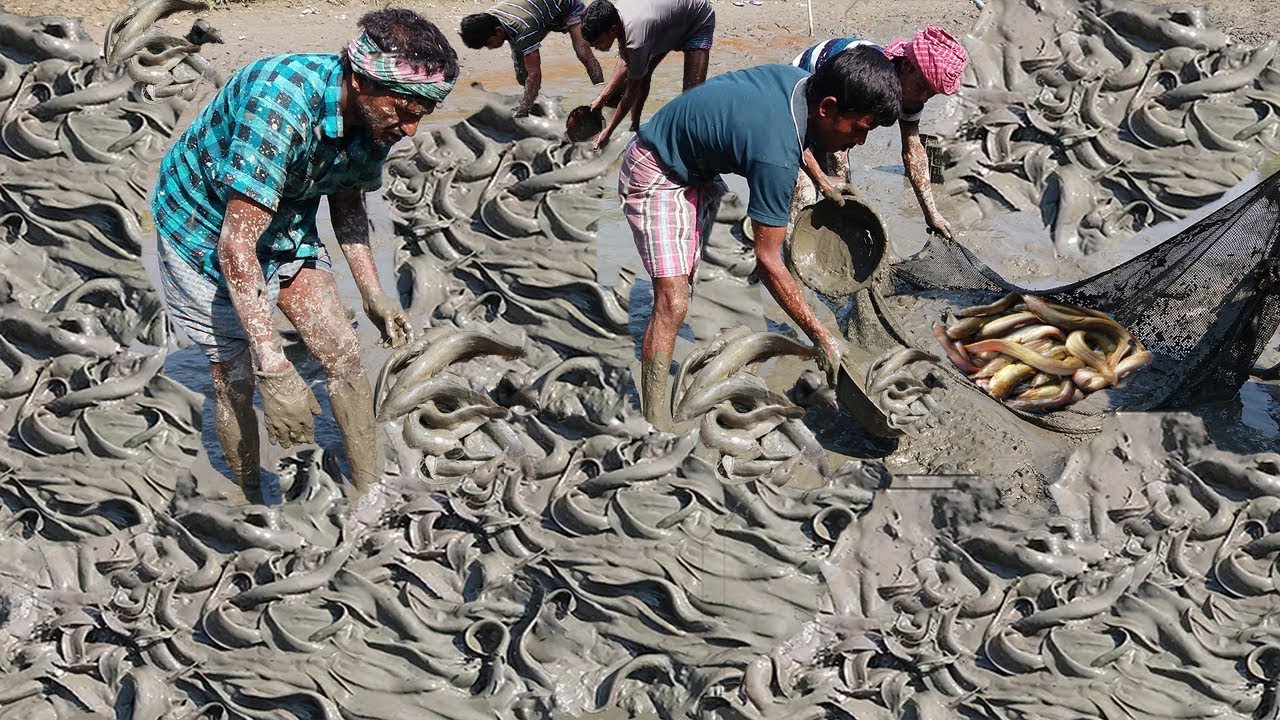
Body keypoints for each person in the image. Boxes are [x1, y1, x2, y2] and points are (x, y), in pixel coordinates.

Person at [151, 8, 457, 506]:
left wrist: (372, 291)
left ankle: (368, 491)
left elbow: (347, 201)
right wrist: (274, 366)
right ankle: (251, 498)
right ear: (359, 81)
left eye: (420, 115)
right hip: (202, 226)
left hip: (286, 211)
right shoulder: (280, 103)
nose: (409, 130)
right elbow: (235, 245)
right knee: (235, 375)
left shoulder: (378, 124)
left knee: (343, 353)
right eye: (403, 112)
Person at [618, 48, 902, 429]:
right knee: (673, 302)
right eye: (860, 128)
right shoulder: (775, 157)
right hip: (657, 170)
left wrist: (821, 181)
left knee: (683, 284)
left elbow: (796, 135)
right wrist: (820, 335)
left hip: (695, 166)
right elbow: (768, 260)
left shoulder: (800, 84)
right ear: (828, 108)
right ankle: (656, 425)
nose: (862, 141)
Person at [791, 28, 969, 239]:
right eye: (922, 87)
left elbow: (913, 152)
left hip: (837, 119)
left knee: (837, 184)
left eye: (932, 93)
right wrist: (830, 183)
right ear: (906, 66)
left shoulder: (911, 94)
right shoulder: (870, 81)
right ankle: (786, 260)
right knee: (806, 192)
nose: (924, 98)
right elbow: (835, 134)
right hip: (801, 102)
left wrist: (932, 214)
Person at [580, 0, 715, 152]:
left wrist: (608, 132)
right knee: (642, 72)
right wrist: (602, 97)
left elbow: (630, 94)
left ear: (613, 30)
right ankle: (635, 127)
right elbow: (625, 59)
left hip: (696, 20)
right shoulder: (613, 14)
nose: (597, 48)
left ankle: (698, 152)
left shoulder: (637, 37)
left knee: (691, 99)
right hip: (666, 24)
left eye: (598, 42)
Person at [459, 0, 603, 117]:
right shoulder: (490, 19)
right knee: (521, 72)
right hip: (538, 14)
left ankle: (602, 93)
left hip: (568, 7)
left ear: (498, 31)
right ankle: (532, 102)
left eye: (489, 43)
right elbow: (526, 71)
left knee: (584, 53)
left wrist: (522, 110)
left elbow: (535, 73)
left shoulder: (522, 28)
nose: (489, 48)